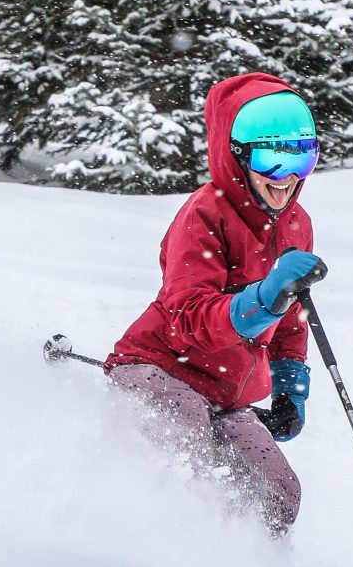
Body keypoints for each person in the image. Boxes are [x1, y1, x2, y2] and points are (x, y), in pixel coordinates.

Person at [105, 73, 328, 534]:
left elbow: (290, 319)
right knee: (190, 461)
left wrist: (289, 381)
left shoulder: (296, 224)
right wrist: (264, 298)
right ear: (238, 155)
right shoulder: (204, 215)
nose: (286, 179)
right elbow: (188, 317)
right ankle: (154, 564)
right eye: (271, 160)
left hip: (224, 394)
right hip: (157, 369)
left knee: (277, 493)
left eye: (302, 160)